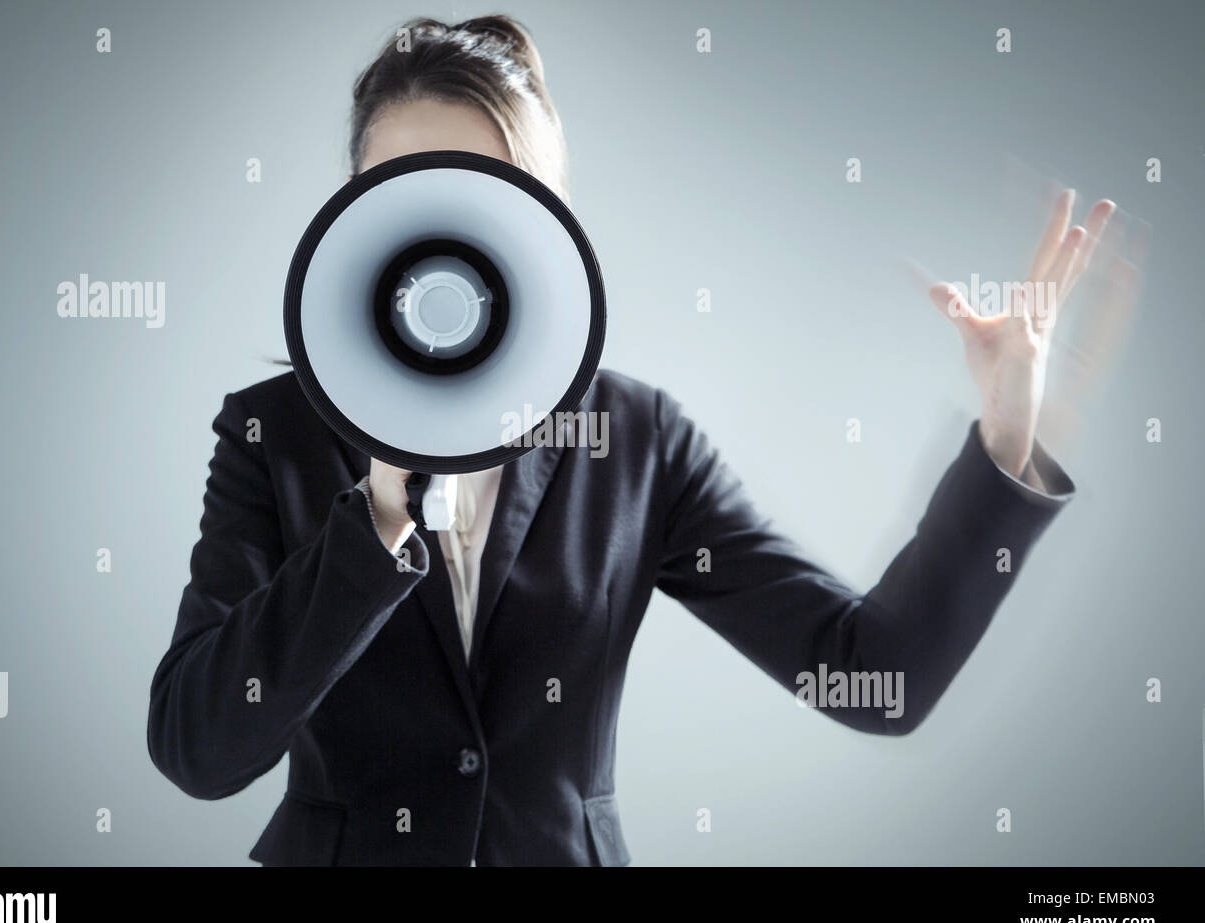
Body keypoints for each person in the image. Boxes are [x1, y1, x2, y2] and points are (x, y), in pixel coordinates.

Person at [146, 15, 1117, 866]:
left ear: (544, 220)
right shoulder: (275, 430)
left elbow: (878, 678)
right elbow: (198, 746)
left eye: (478, 190)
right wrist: (377, 519)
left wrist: (1005, 435)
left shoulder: (636, 439)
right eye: (402, 190)